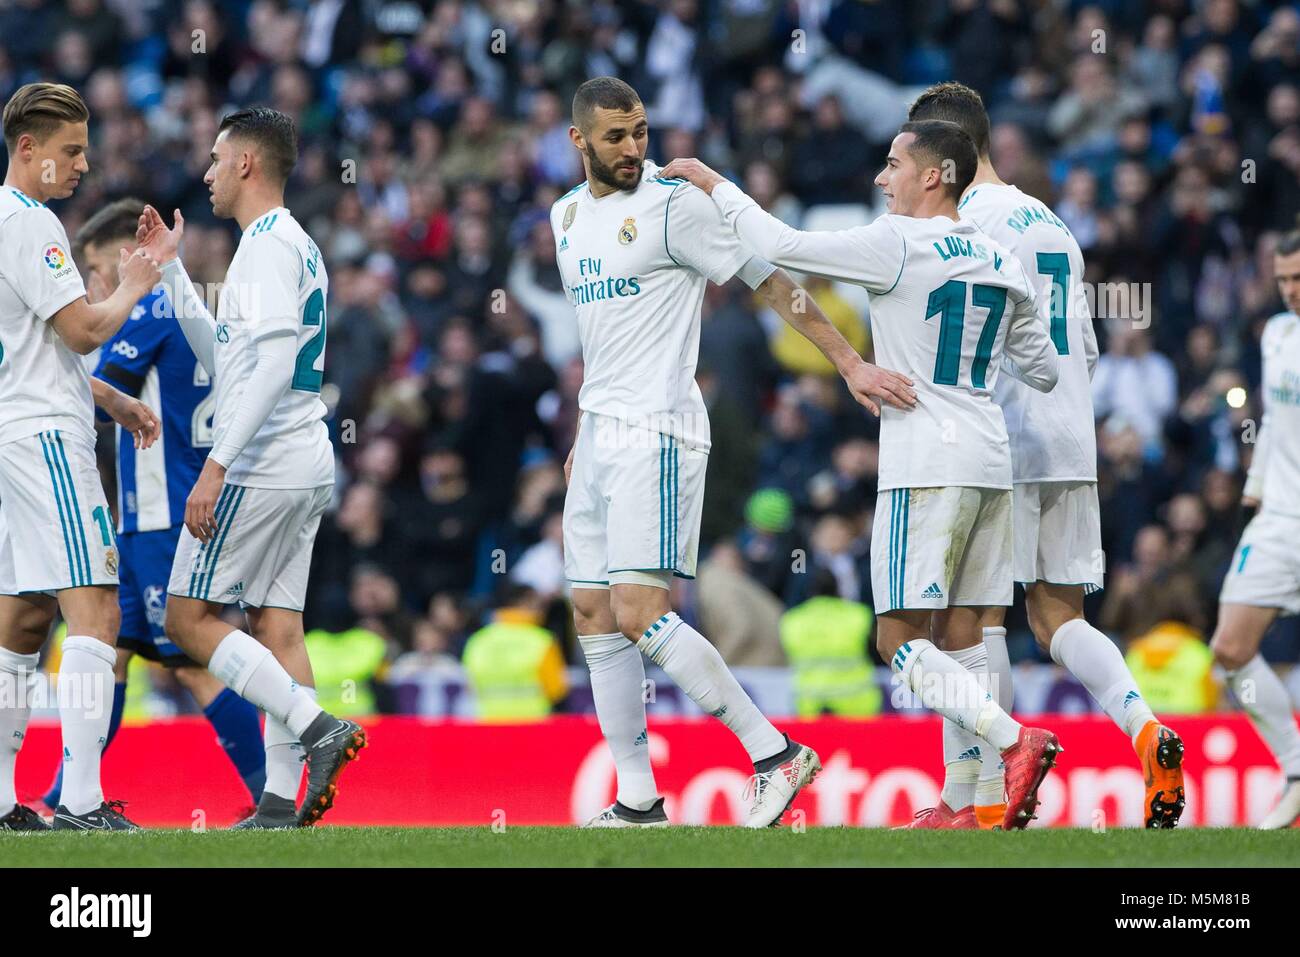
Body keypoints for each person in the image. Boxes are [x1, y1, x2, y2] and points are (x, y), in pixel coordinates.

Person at [664, 118, 1064, 831]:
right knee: (967, 634)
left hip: (924, 463)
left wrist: (711, 179)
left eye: (892, 164)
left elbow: (780, 245)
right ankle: (967, 804)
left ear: (934, 175)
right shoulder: (1002, 258)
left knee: (896, 639)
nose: (882, 178)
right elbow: (1044, 368)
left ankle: (1014, 740)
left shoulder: (897, 243)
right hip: (989, 457)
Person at [556, 77, 915, 829]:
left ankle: (773, 752)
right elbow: (602, 339)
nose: (633, 149)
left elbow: (771, 282)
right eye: (616, 136)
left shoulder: (673, 207)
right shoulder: (564, 218)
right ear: (578, 141)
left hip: (658, 430)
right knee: (592, 610)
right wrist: (582, 435)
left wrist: (850, 364)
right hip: (599, 436)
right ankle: (637, 797)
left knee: (639, 610)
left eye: (642, 131)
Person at [908, 81, 1186, 829]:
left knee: (970, 622)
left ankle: (981, 800)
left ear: (946, 152)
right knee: (1059, 619)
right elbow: (1084, 345)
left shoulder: (967, 224)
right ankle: (1146, 729)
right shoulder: (1052, 220)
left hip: (1003, 440)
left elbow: (963, 343)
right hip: (1071, 435)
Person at [133, 107, 364, 829]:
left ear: (246, 165)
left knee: (186, 616)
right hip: (305, 460)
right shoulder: (290, 245)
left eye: (213, 157)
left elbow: (265, 368)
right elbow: (228, 356)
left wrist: (217, 466)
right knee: (279, 626)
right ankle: (275, 801)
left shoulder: (266, 249)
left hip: (262, 463)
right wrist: (172, 272)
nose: (204, 173)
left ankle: (319, 725)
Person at [38, 198, 268, 815]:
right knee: (107, 651)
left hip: (168, 515)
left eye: (93, 271)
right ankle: (66, 799)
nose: (87, 287)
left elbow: (95, 389)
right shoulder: (187, 308)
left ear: (126, 258)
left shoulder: (150, 307)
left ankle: (273, 795)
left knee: (190, 661)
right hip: (148, 515)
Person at [0, 82, 161, 831]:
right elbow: (82, 329)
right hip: (46, 443)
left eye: (84, 151)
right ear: (26, 150)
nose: (81, 166)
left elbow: (29, 352)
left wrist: (111, 399)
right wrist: (134, 280)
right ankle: (84, 800)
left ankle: (4, 802)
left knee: (24, 618)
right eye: (68, 151)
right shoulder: (33, 224)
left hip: (12, 436)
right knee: (96, 608)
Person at [1211, 227, 1300, 830]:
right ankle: (1297, 771)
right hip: (1281, 518)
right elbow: (1273, 420)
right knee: (1231, 649)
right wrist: (1257, 490)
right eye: (1284, 280)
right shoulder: (1276, 334)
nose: (1292, 291)